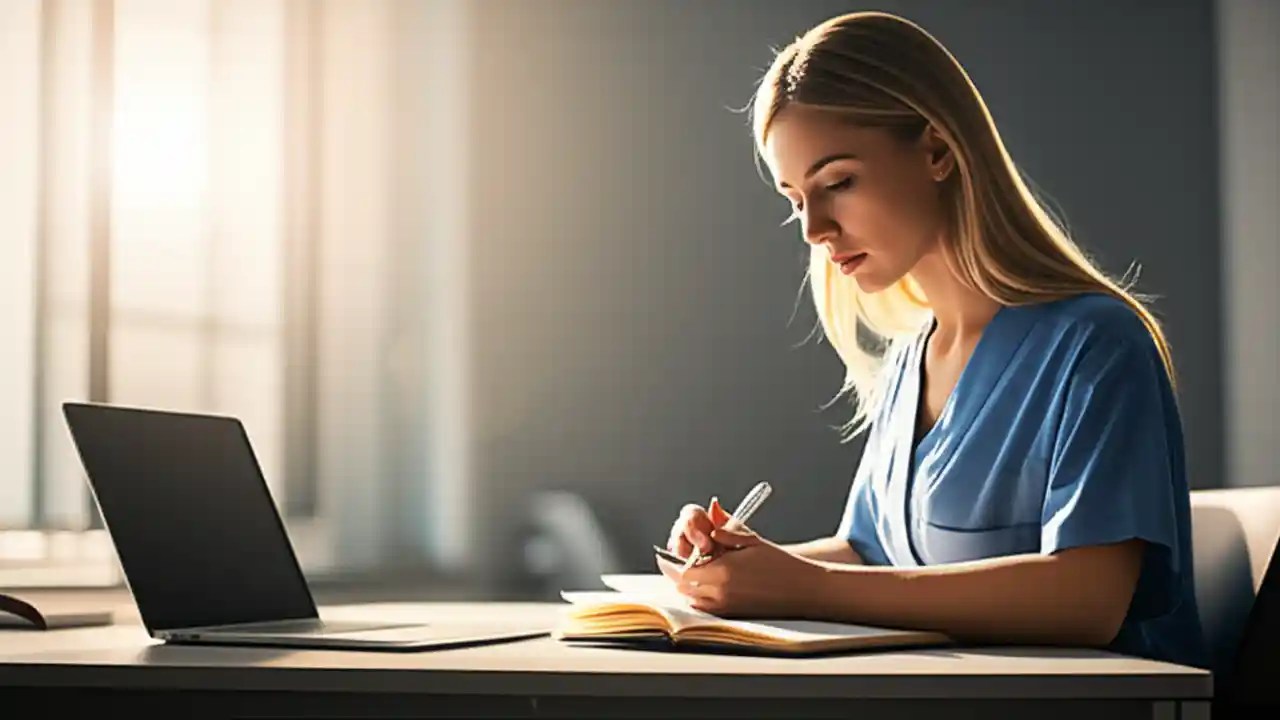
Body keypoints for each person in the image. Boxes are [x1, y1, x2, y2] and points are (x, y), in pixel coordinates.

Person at [659, 10, 1208, 669]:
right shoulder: (911, 360)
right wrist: (741, 564)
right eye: (795, 198)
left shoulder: (1095, 346)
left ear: (938, 151)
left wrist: (806, 584)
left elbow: (1089, 599)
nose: (814, 230)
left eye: (839, 182)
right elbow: (869, 553)